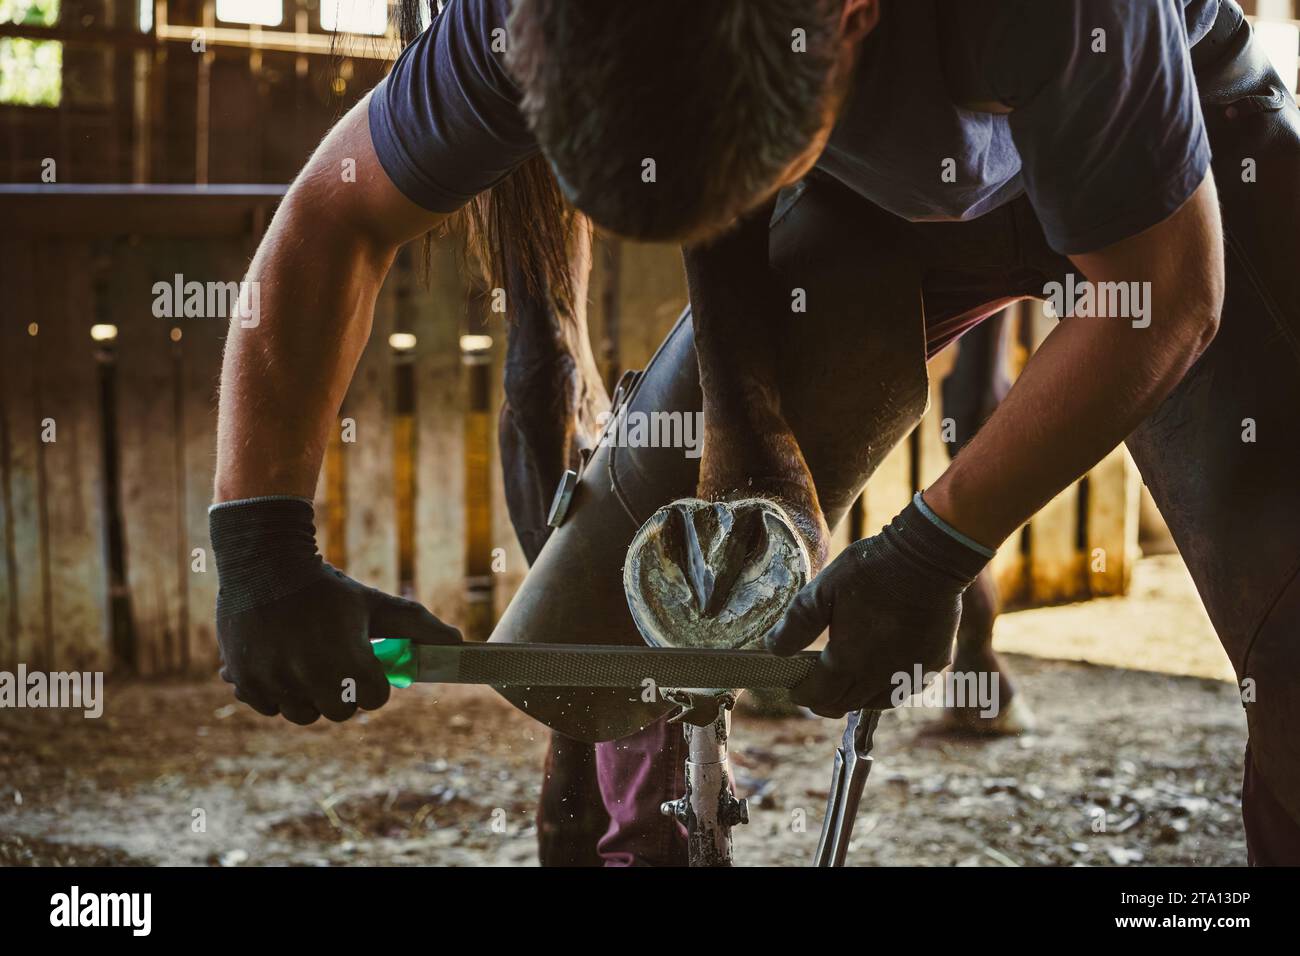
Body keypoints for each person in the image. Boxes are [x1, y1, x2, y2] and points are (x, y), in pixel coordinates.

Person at [210, 0, 1300, 865]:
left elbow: (1162, 295)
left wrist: (934, 545)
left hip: (1187, 154)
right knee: (595, 642)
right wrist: (259, 542)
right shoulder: (521, 16)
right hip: (870, 198)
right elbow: (333, 214)